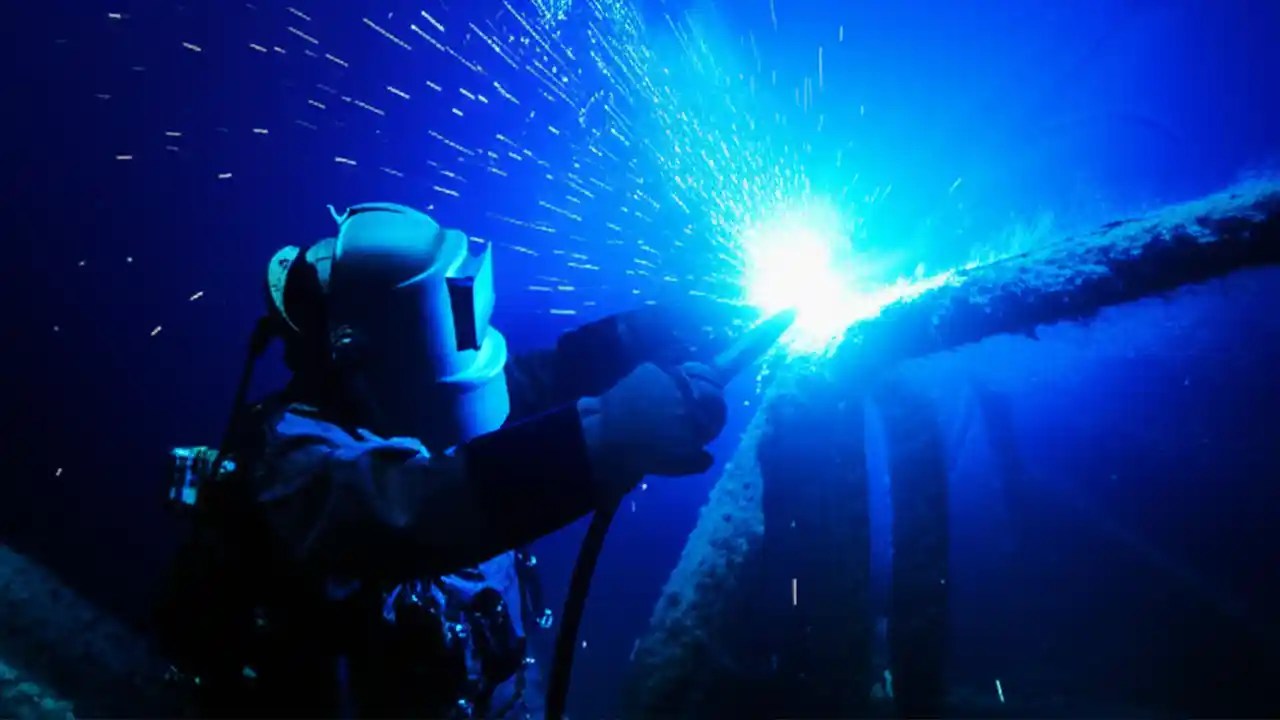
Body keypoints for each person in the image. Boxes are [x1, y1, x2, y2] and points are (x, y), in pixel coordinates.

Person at [156, 202, 744, 719]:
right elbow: (424, 505)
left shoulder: (412, 399)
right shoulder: (292, 464)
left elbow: (535, 384)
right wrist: (606, 434)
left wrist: (636, 334)